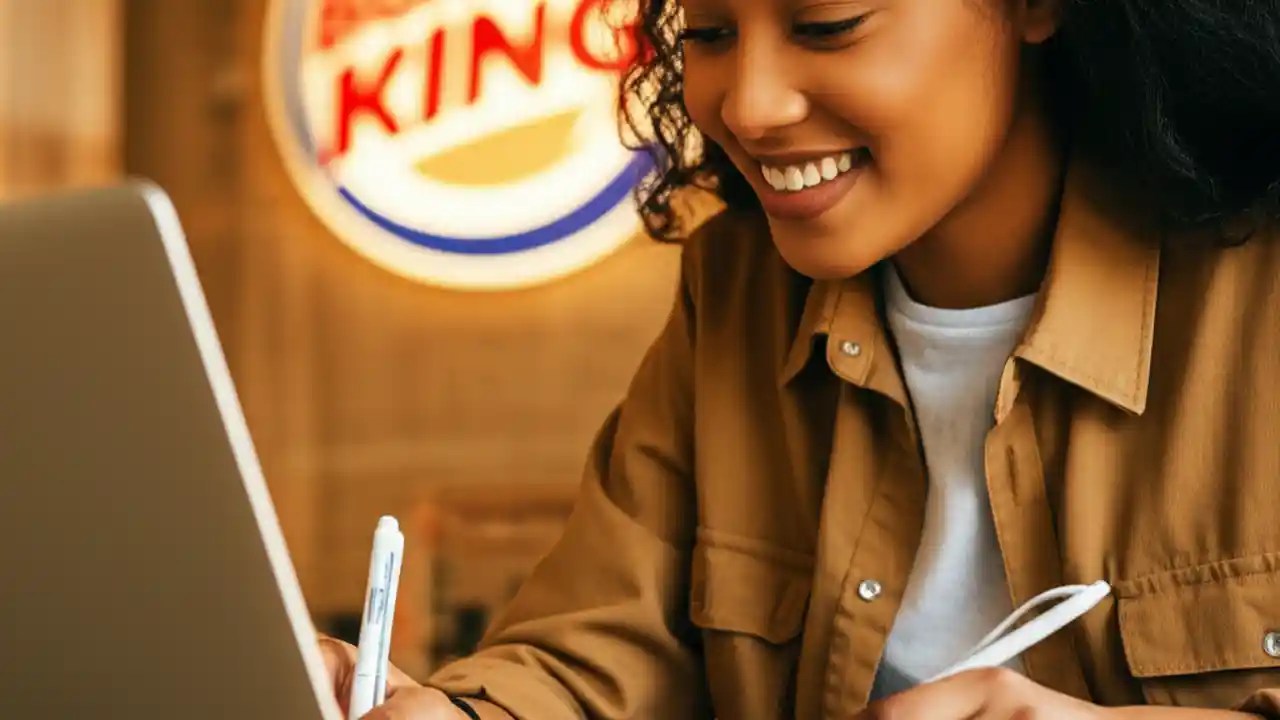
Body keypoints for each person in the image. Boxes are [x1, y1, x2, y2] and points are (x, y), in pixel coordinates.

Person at [320, 0, 1280, 717]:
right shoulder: (735, 292)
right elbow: (595, 659)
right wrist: (449, 714)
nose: (749, 104)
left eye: (827, 25)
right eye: (708, 32)